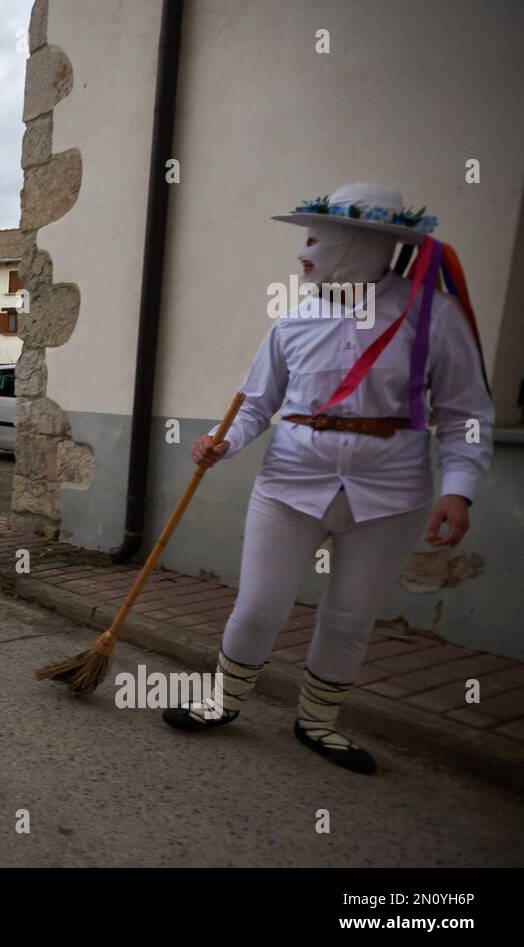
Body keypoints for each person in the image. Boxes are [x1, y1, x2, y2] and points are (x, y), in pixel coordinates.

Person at [162, 184, 493, 775]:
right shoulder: (294, 317)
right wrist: (223, 443)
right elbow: (257, 404)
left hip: (392, 496)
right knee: (261, 605)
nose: (302, 254)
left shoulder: (434, 315)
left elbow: (468, 412)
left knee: (349, 617)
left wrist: (459, 488)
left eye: (314, 239)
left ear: (361, 242)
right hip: (289, 485)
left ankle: (317, 723)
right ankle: (223, 699)